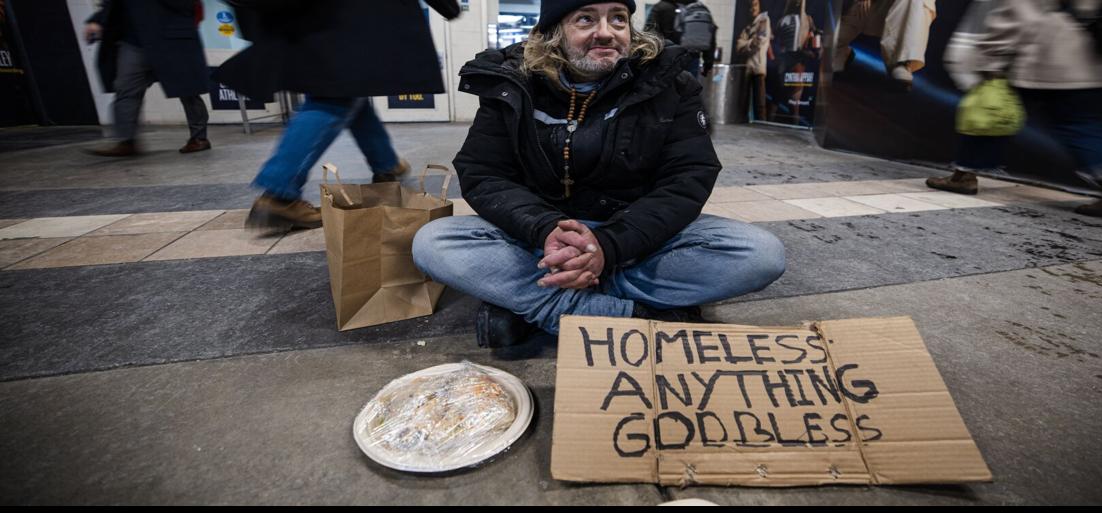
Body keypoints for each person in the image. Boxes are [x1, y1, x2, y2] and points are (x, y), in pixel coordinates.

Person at [412, 0, 786, 348]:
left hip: (635, 238)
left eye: (618, 19)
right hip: (541, 239)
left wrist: (608, 247)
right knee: (433, 243)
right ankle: (628, 314)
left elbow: (688, 176)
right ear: (554, 32)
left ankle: (540, 305)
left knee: (758, 253)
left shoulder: (669, 83)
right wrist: (545, 230)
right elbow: (483, 173)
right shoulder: (513, 83)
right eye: (587, 18)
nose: (606, 32)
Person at [215, 1, 463, 231]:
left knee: (347, 87)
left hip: (320, 15)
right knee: (332, 95)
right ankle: (279, 192)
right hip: (345, 12)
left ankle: (387, 166)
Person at [927, 0, 1102, 215]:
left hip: (1046, 54)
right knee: (1081, 121)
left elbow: (1016, 13)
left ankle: (963, 176)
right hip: (1097, 59)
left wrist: (991, 56)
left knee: (991, 112)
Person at [85, 0, 212, 157]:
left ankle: (199, 138)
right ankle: (126, 141)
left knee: (187, 90)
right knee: (125, 88)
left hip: (171, 37)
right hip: (133, 41)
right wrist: (96, 21)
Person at [736, 0, 773, 122]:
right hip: (747, 67)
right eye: (751, 6)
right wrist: (750, 43)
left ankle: (761, 125)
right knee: (743, 101)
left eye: (755, 5)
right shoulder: (747, 27)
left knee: (760, 103)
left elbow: (759, 41)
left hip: (758, 66)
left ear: (759, 6)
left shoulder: (764, 20)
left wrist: (746, 44)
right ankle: (742, 122)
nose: (753, 8)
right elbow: (738, 47)